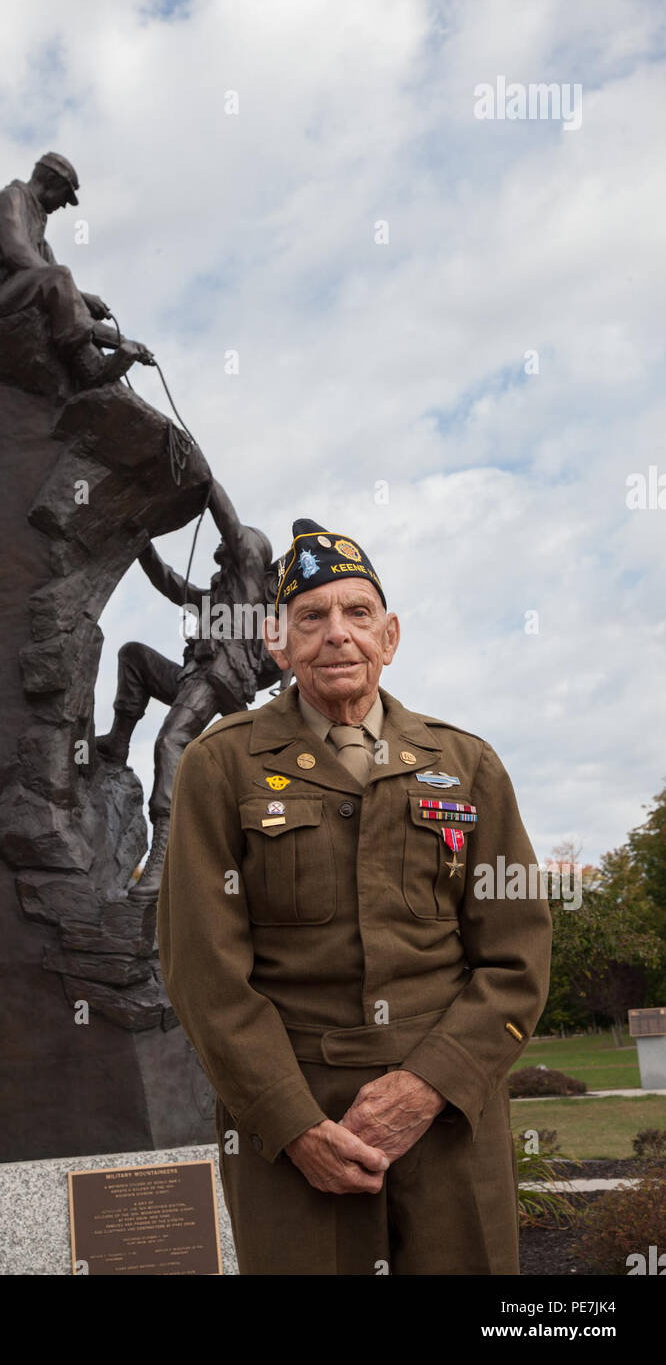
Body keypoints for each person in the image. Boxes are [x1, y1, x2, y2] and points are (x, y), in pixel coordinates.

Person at [157, 518, 553, 1275]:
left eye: (357, 614)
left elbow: (517, 955)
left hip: (450, 1119)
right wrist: (292, 1123)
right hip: (299, 1131)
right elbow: (204, 973)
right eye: (312, 617)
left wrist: (429, 1084)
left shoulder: (465, 764)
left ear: (390, 635)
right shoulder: (218, 767)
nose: (337, 635)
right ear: (277, 641)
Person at [97, 478, 282, 901]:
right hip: (192, 677)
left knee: (170, 742)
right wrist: (142, 542)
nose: (223, 543)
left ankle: (163, 859)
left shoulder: (250, 580)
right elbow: (168, 582)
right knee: (134, 656)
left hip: (221, 675)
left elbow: (230, 523)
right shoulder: (217, 595)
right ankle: (118, 743)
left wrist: (205, 480)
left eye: (232, 542)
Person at [0, 152, 154, 388]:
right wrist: (82, 296)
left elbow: (67, 301)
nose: (64, 204)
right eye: (65, 196)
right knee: (60, 276)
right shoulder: (10, 198)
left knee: (62, 282)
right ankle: (89, 365)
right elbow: (18, 255)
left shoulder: (40, 234)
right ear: (51, 183)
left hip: (14, 295)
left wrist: (122, 341)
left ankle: (91, 362)